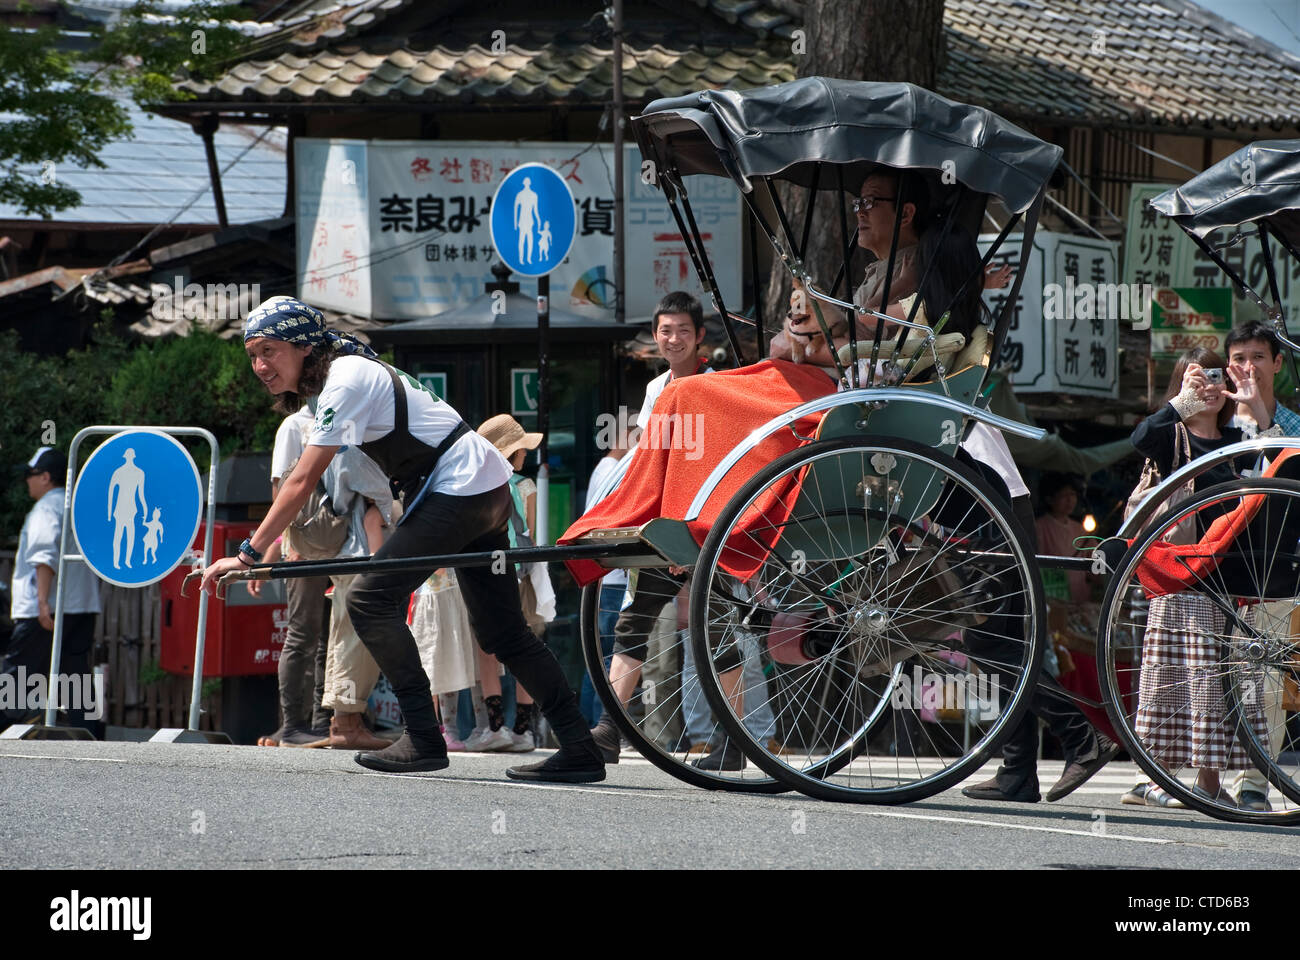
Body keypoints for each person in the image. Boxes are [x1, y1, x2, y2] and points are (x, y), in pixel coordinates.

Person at [199, 295, 604, 783]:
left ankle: (423, 738)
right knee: (504, 633)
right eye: (253, 356)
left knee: (369, 599)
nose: (260, 366)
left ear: (303, 346)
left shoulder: (344, 379)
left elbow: (302, 480)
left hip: (460, 486)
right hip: (482, 487)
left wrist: (247, 553)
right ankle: (580, 746)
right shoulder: (343, 378)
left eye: (269, 351)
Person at [1120, 347, 1278, 808]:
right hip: (1180, 573)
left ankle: (1208, 786)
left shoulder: (1237, 436)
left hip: (1228, 579)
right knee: (1168, 681)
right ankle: (1159, 781)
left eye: (1217, 375)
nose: (1211, 384)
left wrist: (1255, 403)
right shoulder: (1172, 437)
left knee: (1217, 685)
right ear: (1185, 382)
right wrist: (1182, 404)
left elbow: (1278, 460)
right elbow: (1139, 437)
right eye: (1199, 376)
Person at [1223, 321, 1300, 811]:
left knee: (1266, 675)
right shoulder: (1218, 421)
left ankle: (1254, 781)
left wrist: (1261, 419)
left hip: (1279, 561)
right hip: (1223, 561)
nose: (1248, 368)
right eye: (1238, 359)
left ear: (1276, 363)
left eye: (1257, 357)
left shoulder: (1294, 427)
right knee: (1215, 671)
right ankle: (1198, 775)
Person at [465, 414, 552, 753]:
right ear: (510, 452)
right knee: (523, 646)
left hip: (488, 573)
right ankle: (523, 731)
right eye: (522, 449)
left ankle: (495, 726)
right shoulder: (526, 487)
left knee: (487, 650)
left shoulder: (476, 486)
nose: (526, 454)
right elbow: (530, 530)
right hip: (523, 573)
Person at [2, 447, 102, 733]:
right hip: (81, 605)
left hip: (46, 609)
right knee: (75, 678)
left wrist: (42, 602)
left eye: (30, 475)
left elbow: (44, 555)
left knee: (18, 677)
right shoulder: (78, 509)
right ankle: (91, 736)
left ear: (45, 477)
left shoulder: (46, 508)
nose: (27, 481)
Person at [255, 406, 331, 747]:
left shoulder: (338, 419)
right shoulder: (293, 426)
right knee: (303, 632)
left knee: (329, 636)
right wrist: (276, 548)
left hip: (339, 540)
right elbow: (281, 495)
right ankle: (291, 724)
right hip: (303, 543)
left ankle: (321, 720)